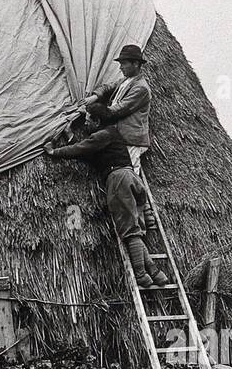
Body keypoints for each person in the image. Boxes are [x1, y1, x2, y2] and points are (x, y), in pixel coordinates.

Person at [43, 43, 170, 289]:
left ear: (136, 64)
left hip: (130, 144)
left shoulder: (140, 90)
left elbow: (111, 115)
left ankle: (143, 271)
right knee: (134, 220)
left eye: (124, 63)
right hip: (126, 172)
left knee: (130, 228)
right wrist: (94, 96)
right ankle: (155, 270)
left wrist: (55, 151)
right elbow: (109, 89)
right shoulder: (126, 83)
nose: (121, 67)